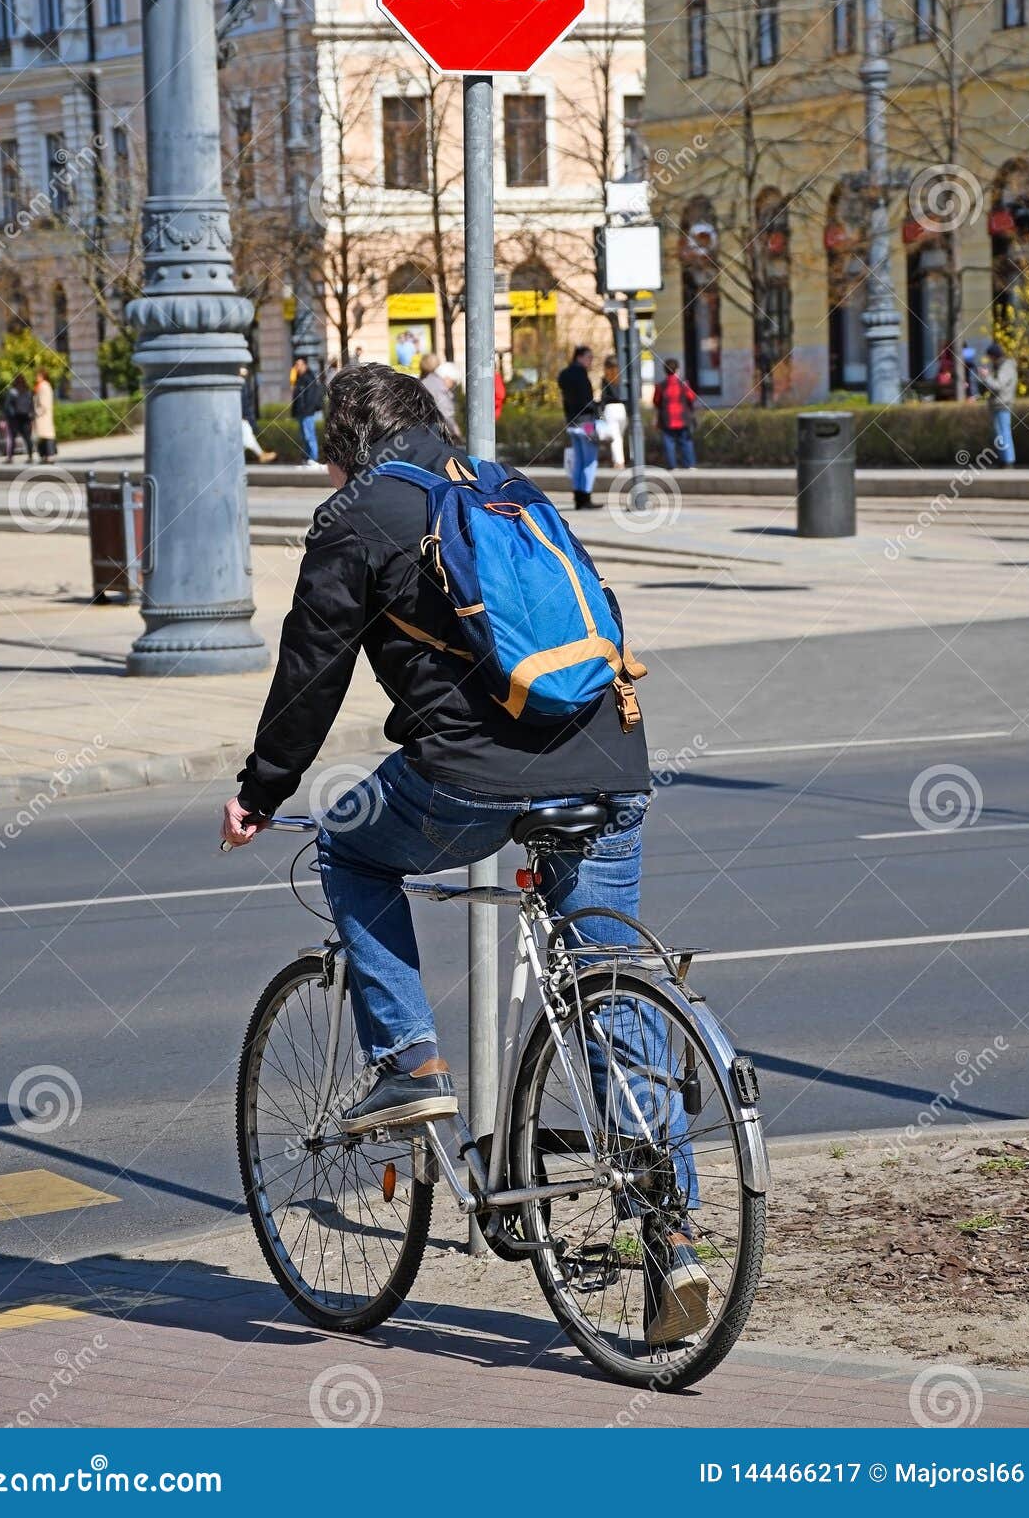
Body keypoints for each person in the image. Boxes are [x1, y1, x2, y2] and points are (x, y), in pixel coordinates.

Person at [220, 361, 707, 1342]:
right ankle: (672, 1247)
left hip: (478, 775)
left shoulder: (357, 517)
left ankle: (409, 1063)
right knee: (608, 985)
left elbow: (310, 674)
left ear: (338, 451)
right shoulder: (500, 485)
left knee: (352, 850)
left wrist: (261, 791)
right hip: (613, 751)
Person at [558, 345, 601, 510]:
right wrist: (597, 407)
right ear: (580, 357)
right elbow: (586, 401)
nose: (590, 361)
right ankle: (586, 497)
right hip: (587, 423)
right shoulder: (581, 375)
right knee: (590, 461)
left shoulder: (564, 374)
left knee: (579, 461)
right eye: (589, 358)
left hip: (571, 423)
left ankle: (578, 498)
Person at [979, 341, 1018, 466]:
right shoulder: (1000, 367)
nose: (989, 360)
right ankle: (1003, 460)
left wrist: (986, 377)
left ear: (994, 355)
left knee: (1003, 432)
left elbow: (998, 386)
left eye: (990, 357)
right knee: (999, 433)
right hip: (998, 404)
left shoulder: (1006, 367)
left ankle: (1008, 460)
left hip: (1002, 404)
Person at [653, 359, 697, 470]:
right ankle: (689, 464)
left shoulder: (660, 386)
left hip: (667, 419)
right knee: (686, 441)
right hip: (683, 417)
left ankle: (672, 466)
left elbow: (656, 401)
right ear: (677, 370)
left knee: (669, 442)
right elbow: (692, 397)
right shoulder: (684, 384)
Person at [291, 356, 326, 469]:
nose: (297, 367)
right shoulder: (299, 378)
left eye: (299, 365)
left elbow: (311, 396)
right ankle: (307, 458)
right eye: (296, 365)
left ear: (305, 365)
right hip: (301, 412)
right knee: (304, 436)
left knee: (309, 435)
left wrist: (307, 410)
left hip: (307, 412)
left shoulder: (308, 378)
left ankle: (313, 458)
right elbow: (296, 397)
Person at [419, 352, 461, 442]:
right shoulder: (438, 386)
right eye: (453, 382)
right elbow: (446, 413)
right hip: (434, 434)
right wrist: (455, 431)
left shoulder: (422, 382)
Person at [240, 365, 276, 464]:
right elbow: (244, 402)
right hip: (241, 417)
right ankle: (260, 454)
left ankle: (260, 454)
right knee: (247, 437)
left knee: (245, 438)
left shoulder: (243, 384)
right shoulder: (241, 384)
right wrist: (245, 415)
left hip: (241, 416)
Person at [599, 353, 628, 469]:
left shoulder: (605, 379)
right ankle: (619, 460)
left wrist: (600, 414)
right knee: (619, 436)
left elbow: (603, 397)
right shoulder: (623, 377)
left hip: (610, 409)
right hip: (623, 409)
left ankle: (619, 462)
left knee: (615, 437)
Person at [3, 375, 34, 462]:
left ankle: (10, 457)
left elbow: (7, 406)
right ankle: (30, 456)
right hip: (26, 417)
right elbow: (31, 405)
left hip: (14, 418)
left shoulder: (12, 392)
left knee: (12, 438)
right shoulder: (28, 391)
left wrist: (9, 416)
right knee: (28, 438)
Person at [33, 368, 57, 461]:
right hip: (43, 415)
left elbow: (44, 402)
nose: (36, 377)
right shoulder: (42, 386)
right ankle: (44, 455)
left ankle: (49, 455)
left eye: (38, 375)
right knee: (43, 436)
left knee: (46, 435)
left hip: (43, 415)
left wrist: (37, 412)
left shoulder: (43, 386)